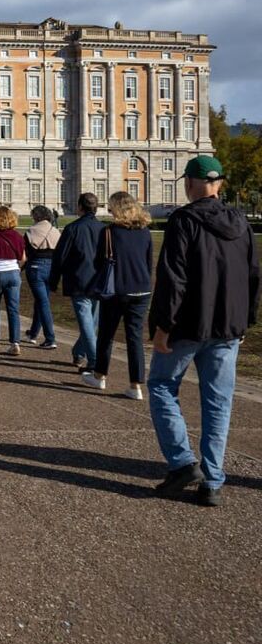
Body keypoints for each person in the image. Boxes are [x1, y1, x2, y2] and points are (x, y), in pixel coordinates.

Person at [148, 155, 260, 505]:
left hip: (188, 325)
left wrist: (163, 325)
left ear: (190, 183)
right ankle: (212, 480)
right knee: (218, 403)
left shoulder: (183, 220)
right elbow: (253, 275)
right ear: (220, 184)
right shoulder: (240, 220)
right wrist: (246, 321)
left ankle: (182, 463)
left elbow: (173, 278)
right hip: (228, 326)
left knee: (162, 387)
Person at [82, 191, 154, 400]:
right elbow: (149, 263)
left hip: (116, 290)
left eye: (112, 207)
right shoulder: (145, 231)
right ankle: (136, 385)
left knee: (106, 335)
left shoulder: (110, 232)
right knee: (135, 338)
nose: (109, 210)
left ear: (117, 209)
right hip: (141, 289)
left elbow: (100, 261)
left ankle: (100, 375)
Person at [49, 193, 105, 373]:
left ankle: (94, 360)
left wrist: (53, 280)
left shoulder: (72, 228)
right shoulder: (105, 228)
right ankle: (79, 352)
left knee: (87, 323)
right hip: (99, 281)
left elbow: (60, 257)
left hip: (79, 280)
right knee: (92, 323)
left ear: (80, 207)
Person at [0, 206, 27, 356]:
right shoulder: (18, 236)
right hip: (13, 273)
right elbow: (23, 258)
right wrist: (16, 269)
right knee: (13, 309)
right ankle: (15, 342)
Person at [23, 205, 61, 349]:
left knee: (43, 302)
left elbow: (25, 254)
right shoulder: (56, 231)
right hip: (51, 268)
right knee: (41, 301)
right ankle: (33, 333)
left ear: (36, 216)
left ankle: (50, 338)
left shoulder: (30, 231)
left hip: (35, 268)